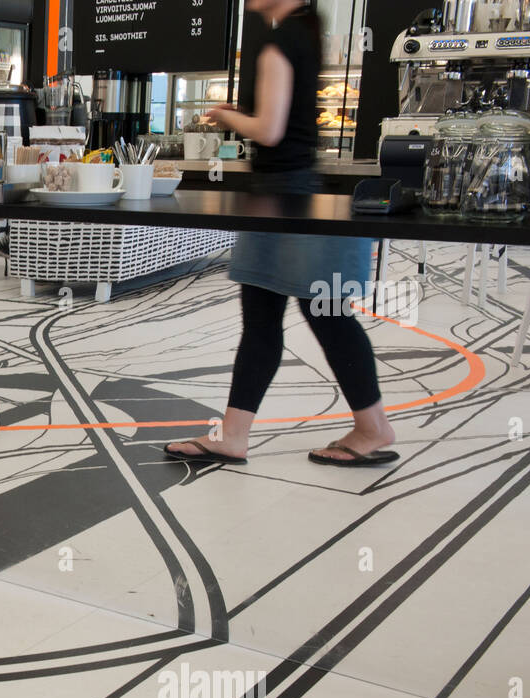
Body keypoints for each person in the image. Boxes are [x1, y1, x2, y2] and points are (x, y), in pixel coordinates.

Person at [165, 0, 397, 468]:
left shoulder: (278, 42)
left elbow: (269, 130)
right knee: (296, 314)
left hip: (281, 193)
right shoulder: (302, 33)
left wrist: (226, 116)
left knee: (312, 314)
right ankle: (234, 435)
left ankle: (372, 428)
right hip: (292, 189)